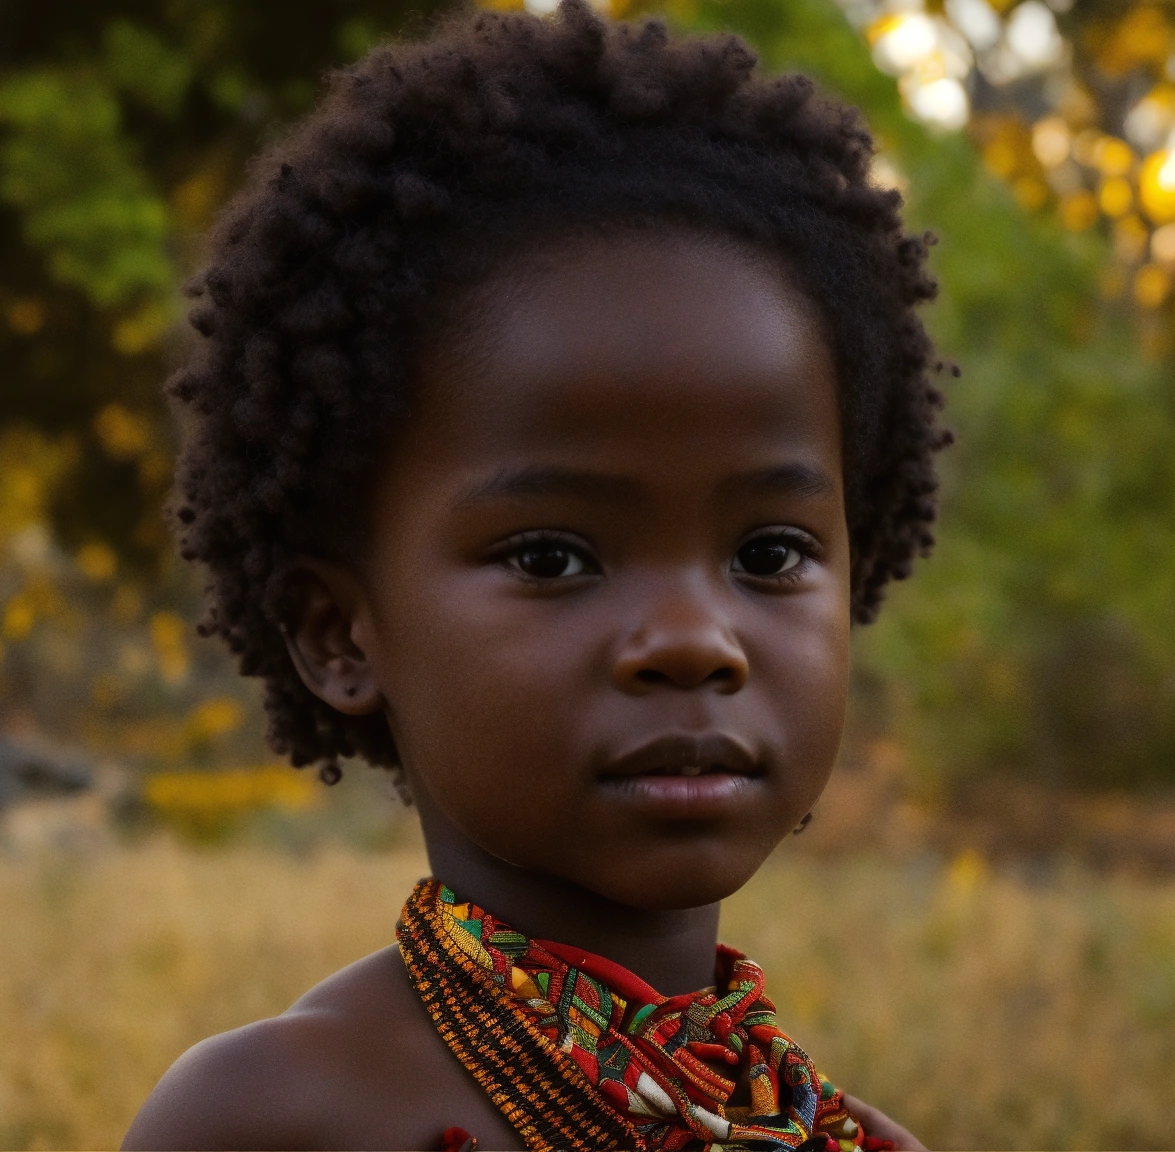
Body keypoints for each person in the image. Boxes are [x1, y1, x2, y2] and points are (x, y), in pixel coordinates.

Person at [121, 4, 947, 1148]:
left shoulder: (845, 1144)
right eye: (554, 557)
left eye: (770, 554)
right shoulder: (277, 1120)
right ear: (340, 634)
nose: (695, 638)